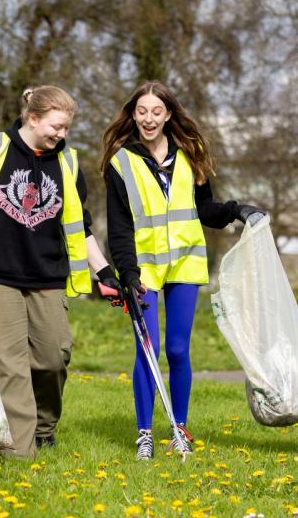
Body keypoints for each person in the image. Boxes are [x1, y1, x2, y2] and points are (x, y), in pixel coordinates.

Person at [0, 86, 121, 458]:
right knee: (9, 363)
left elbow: (81, 225)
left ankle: (44, 427)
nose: (61, 134)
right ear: (33, 117)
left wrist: (103, 270)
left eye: (67, 128)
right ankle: (19, 450)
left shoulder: (68, 164)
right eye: (56, 127)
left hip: (47, 275)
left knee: (54, 356)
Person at [100, 81, 263, 460]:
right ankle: (144, 434)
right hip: (143, 268)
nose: (149, 119)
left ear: (169, 114)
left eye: (157, 112)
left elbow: (205, 210)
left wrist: (239, 211)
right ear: (133, 114)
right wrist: (127, 273)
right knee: (148, 350)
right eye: (142, 112)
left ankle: (179, 429)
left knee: (177, 350)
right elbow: (120, 226)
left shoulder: (192, 153)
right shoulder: (121, 163)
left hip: (186, 262)